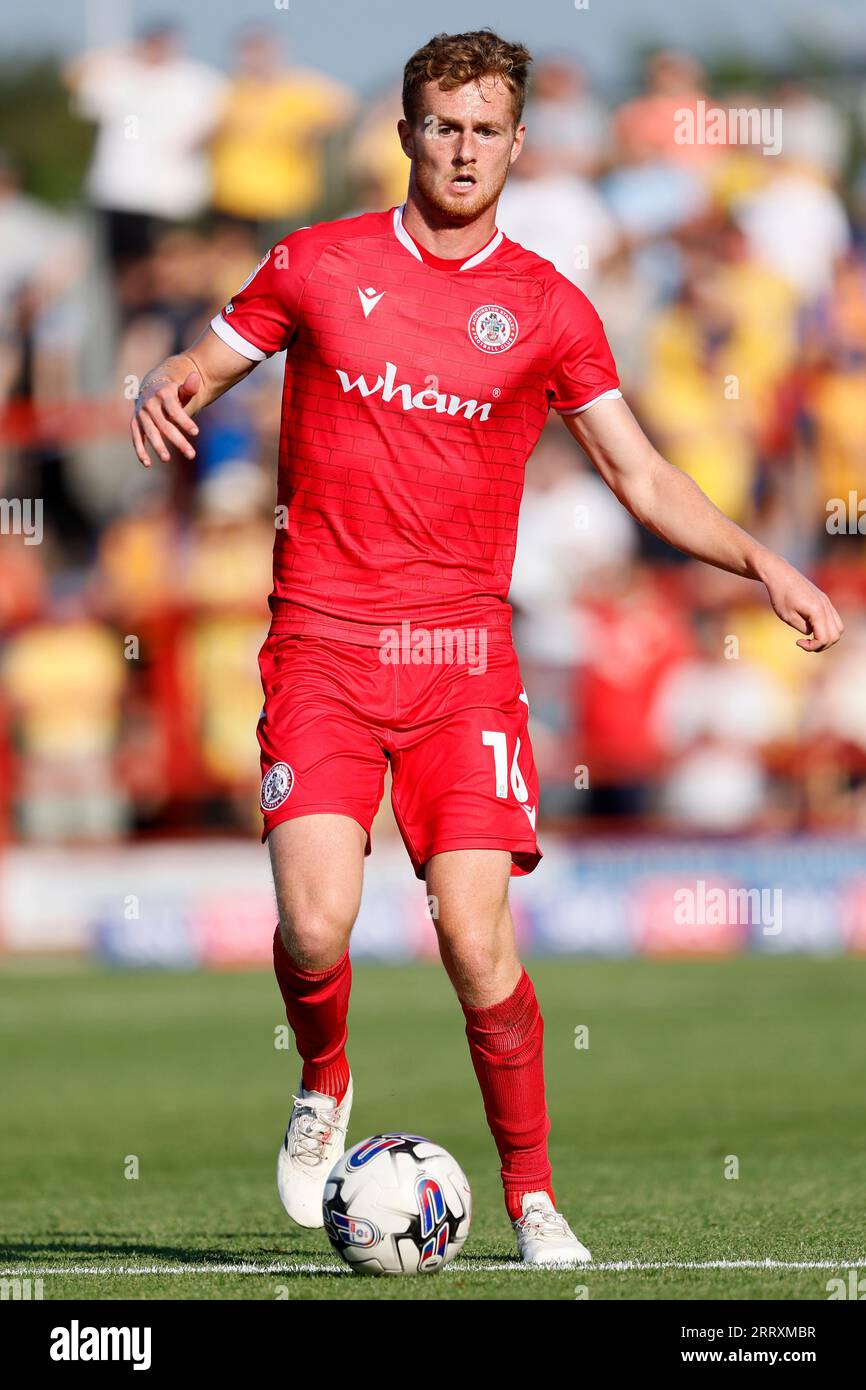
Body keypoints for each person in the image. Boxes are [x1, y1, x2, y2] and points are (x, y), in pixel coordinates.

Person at [130, 29, 843, 1267]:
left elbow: (635, 471)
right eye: (441, 126)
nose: (462, 151)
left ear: (517, 144)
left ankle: (532, 1200)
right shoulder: (315, 262)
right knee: (312, 925)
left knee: (473, 938)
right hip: (324, 645)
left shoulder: (551, 309)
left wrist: (762, 560)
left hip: (462, 661)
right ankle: (323, 1079)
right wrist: (167, 379)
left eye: (484, 130)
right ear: (405, 133)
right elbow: (203, 360)